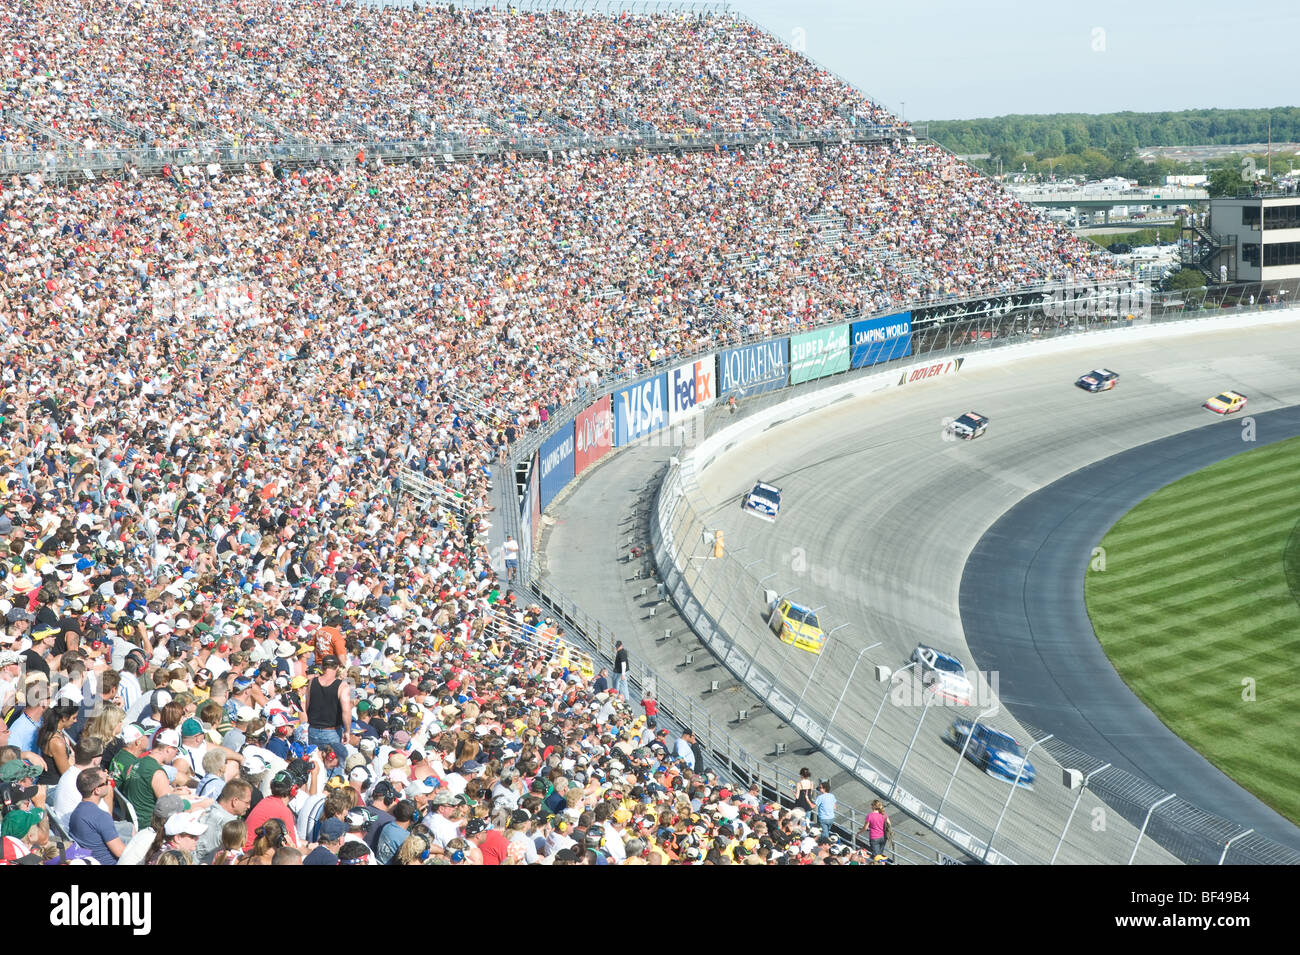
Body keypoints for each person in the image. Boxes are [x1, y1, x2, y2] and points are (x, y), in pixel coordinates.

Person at [67, 768, 125, 865]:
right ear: (97, 790)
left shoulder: (76, 812)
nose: (109, 783)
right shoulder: (101, 817)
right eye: (106, 782)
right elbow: (120, 852)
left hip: (88, 858)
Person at [304, 654, 351, 748]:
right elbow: (346, 711)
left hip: (313, 730)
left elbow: (307, 706)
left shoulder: (312, 681)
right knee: (332, 758)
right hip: (332, 732)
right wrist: (347, 731)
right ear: (337, 667)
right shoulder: (342, 686)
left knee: (314, 757)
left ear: (322, 667)